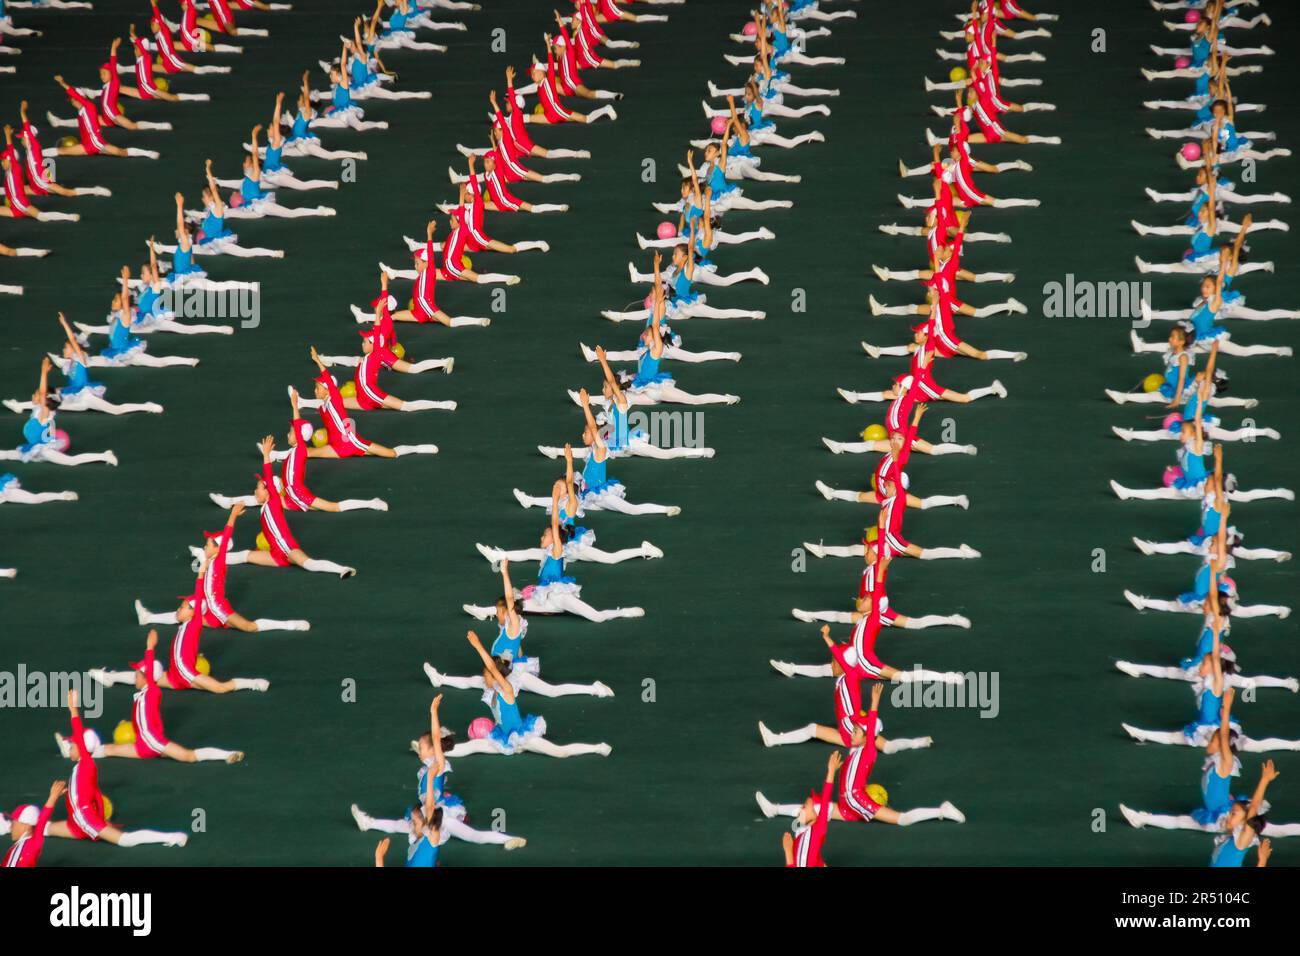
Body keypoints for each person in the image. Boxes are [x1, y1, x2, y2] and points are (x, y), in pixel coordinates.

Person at [42, 691, 189, 848]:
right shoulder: (83, 765)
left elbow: (78, 730)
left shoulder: (85, 762)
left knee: (124, 840)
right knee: (47, 828)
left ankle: (172, 836)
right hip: (76, 820)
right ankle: (13, 826)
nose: (69, 748)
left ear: (82, 747)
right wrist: (70, 792)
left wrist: (73, 709)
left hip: (83, 818)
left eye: (72, 745)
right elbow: (90, 792)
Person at [137, 502, 311, 633]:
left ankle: (290, 625)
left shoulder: (219, 560)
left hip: (219, 607)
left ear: (218, 549)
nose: (205, 547)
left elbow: (227, 534)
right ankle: (148, 618)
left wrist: (233, 515)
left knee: (248, 627)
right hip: (208, 606)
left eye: (208, 545)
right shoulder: (209, 559)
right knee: (183, 612)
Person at [82, 630, 247, 763]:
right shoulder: (141, 693)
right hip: (142, 745)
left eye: (138, 674)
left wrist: (150, 647)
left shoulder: (152, 691)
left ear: (147, 678)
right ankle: (74, 751)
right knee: (109, 749)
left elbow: (150, 677)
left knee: (188, 756)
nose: (135, 677)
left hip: (154, 743)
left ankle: (228, 754)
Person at [442, 631, 613, 757]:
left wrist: (478, 645)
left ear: (495, 676)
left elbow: (492, 669)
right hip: (502, 736)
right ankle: (437, 751)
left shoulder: (507, 690)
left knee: (560, 752)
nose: (484, 677)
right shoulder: (491, 691)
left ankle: (597, 747)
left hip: (522, 736)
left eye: (486, 675)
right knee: (474, 746)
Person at [0, 359, 118, 466]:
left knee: (71, 461)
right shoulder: (39, 409)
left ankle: (104, 456)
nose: (33, 395)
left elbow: (42, 392)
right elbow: (43, 395)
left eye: (36, 394)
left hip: (45, 449)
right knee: (11, 454)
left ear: (45, 398)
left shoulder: (44, 412)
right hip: (36, 445)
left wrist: (44, 372)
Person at [1, 780, 64, 867]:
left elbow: (42, 820)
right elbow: (41, 821)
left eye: (13, 822)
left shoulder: (27, 847)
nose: (11, 826)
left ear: (25, 826)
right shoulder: (32, 842)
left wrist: (53, 797)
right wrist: (52, 797)